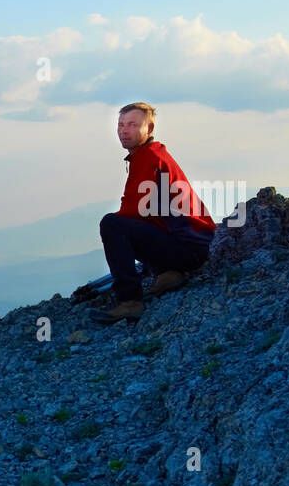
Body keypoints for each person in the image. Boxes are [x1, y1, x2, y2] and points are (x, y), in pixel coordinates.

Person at [90, 103, 216, 324]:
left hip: (190, 248)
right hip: (190, 246)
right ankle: (169, 272)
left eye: (132, 125)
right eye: (120, 125)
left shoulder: (150, 158)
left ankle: (130, 301)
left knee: (112, 224)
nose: (124, 130)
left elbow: (132, 212)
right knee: (125, 226)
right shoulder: (148, 154)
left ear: (149, 129)